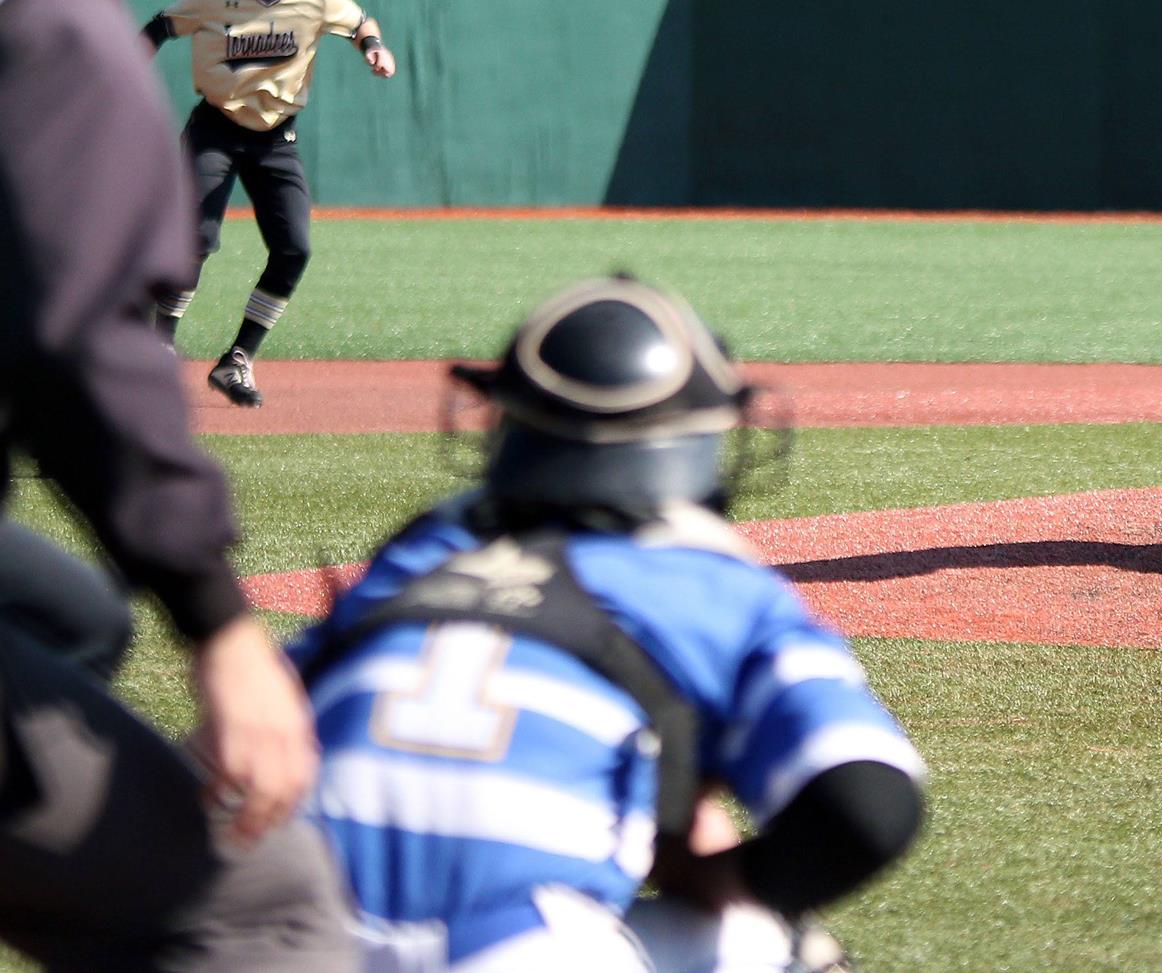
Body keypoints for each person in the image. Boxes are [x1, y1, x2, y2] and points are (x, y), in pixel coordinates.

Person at [0, 0, 354, 971]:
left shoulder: (293, 0)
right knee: (264, 903)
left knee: (76, 621)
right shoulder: (44, 22)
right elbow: (79, 355)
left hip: (264, 141)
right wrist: (218, 622)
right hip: (196, 146)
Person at [289, 277, 927, 971]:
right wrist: (731, 880)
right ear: (692, 443)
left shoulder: (424, 548)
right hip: (516, 951)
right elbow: (869, 803)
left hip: (276, 931)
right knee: (779, 945)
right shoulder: (710, 580)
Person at [144, 0, 399, 408]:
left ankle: (237, 360)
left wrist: (374, 45)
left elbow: (360, 21)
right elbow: (161, 27)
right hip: (215, 125)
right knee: (196, 236)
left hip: (276, 134)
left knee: (294, 248)